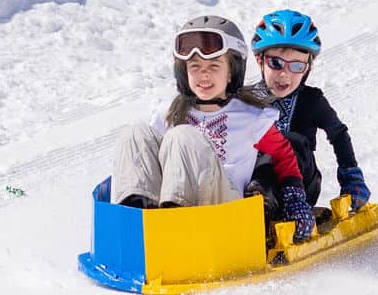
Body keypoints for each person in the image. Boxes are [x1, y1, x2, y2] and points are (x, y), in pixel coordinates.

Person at [111, 14, 315, 242]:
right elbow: (146, 160)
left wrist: (294, 195)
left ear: (232, 72)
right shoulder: (167, 113)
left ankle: (174, 233)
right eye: (195, 66)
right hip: (168, 219)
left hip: (227, 215)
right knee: (135, 134)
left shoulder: (250, 117)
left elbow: (283, 156)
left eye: (214, 66)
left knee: (183, 136)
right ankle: (131, 229)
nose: (203, 74)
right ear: (183, 72)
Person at [247, 9, 370, 215]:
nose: (285, 75)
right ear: (260, 61)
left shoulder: (312, 100)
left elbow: (338, 134)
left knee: (288, 141)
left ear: (307, 69)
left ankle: (272, 205)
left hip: (302, 186)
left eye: (296, 66)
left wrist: (351, 177)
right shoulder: (246, 101)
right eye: (276, 63)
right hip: (252, 185)